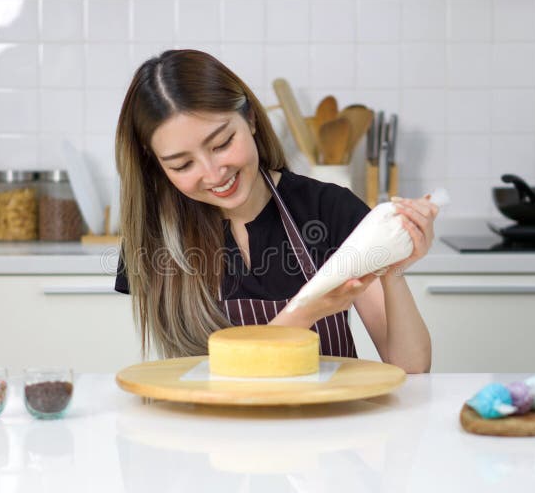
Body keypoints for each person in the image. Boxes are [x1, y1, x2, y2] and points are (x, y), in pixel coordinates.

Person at [114, 49, 438, 373]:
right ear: (157, 166)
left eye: (222, 144)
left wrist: (394, 270)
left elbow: (411, 368)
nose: (213, 174)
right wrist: (304, 312)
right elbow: (207, 377)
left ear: (251, 119)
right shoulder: (157, 235)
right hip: (215, 422)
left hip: (329, 422)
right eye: (183, 164)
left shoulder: (328, 209)